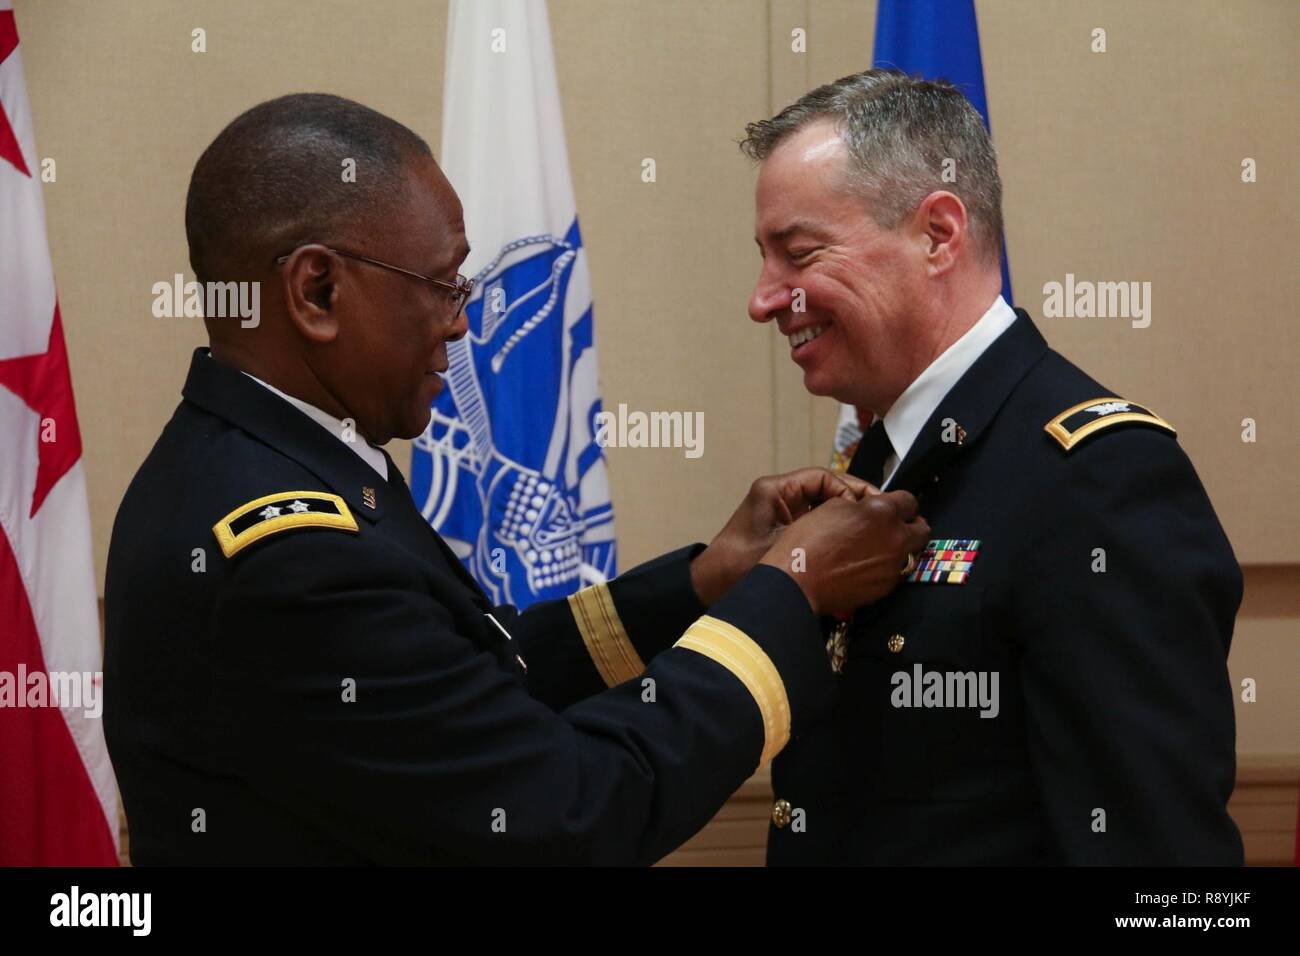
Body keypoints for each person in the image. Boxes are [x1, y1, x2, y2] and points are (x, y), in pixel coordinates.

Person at [102, 93, 930, 866]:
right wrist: (792, 587)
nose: (461, 321)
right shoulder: (292, 554)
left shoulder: (254, 461)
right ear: (317, 291)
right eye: (442, 284)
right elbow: (564, 811)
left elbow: (473, 683)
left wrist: (699, 584)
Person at [742, 70, 1243, 865]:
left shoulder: (1100, 479)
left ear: (938, 234)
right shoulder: (880, 459)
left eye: (798, 255)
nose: (764, 299)